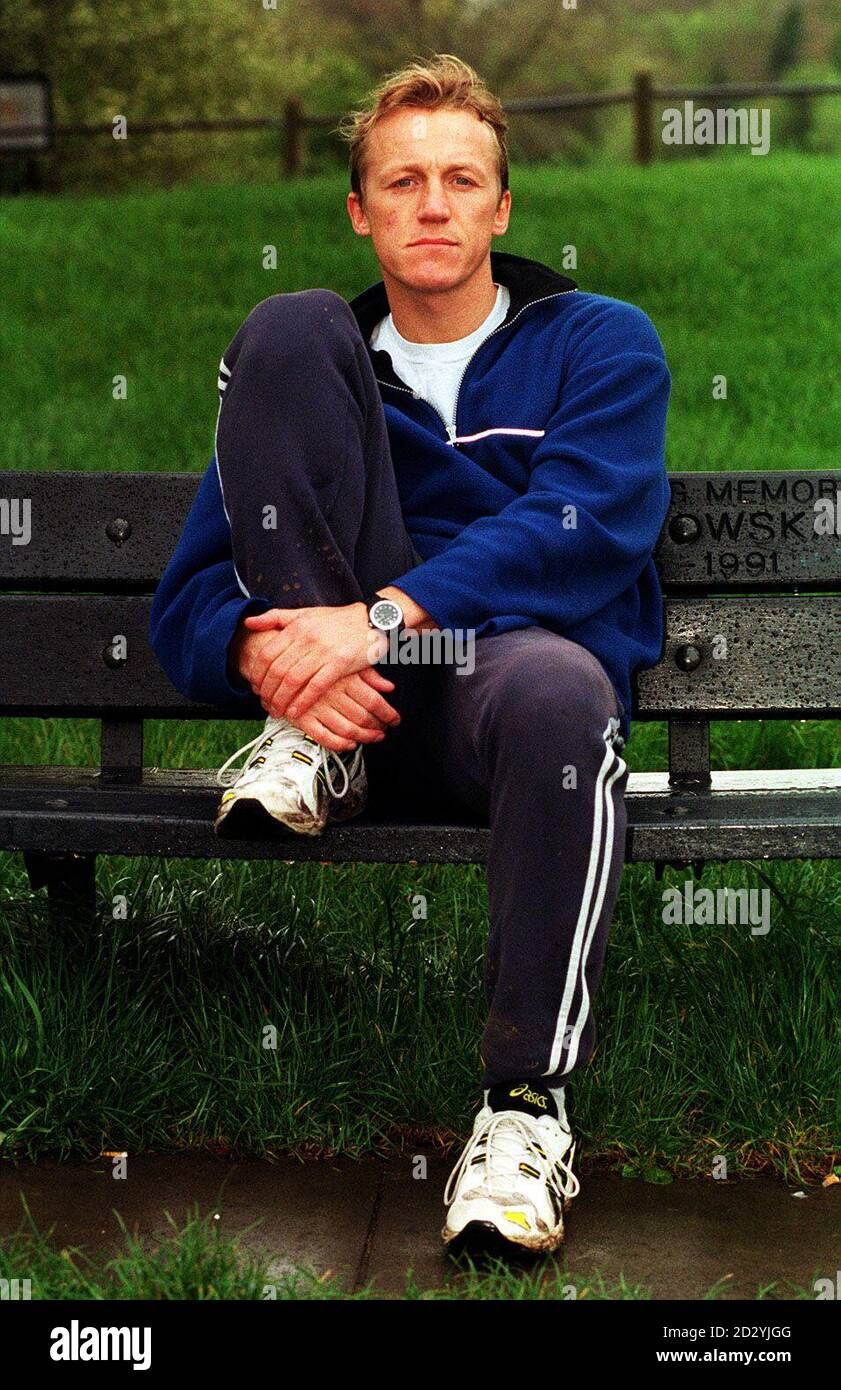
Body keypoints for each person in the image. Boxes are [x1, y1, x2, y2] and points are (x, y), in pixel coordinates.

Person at [149, 53, 671, 1254]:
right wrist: (267, 649)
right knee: (285, 322)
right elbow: (187, 602)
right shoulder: (310, 374)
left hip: (504, 690)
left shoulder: (598, 342)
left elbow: (572, 531)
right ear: (358, 210)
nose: (431, 206)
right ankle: (308, 736)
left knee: (557, 688)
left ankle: (523, 1113)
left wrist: (370, 622)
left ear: (502, 206)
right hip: (345, 730)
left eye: (459, 180)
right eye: (400, 182)